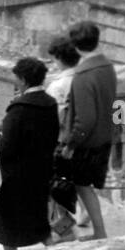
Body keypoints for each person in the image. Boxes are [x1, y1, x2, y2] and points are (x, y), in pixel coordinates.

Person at [0, 58, 60, 250]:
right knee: (39, 224)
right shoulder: (50, 104)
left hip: (15, 178)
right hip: (40, 174)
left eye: (17, 79)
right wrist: (6, 125)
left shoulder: (20, 108)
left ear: (23, 79)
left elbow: (5, 149)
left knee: (8, 230)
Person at [58, 21, 118, 240]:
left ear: (75, 46)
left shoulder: (83, 76)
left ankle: (100, 231)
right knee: (86, 184)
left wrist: (70, 144)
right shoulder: (107, 66)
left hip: (88, 142)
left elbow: (84, 120)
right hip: (105, 136)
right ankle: (87, 219)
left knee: (83, 185)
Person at [45, 39, 81, 238]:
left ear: (59, 59)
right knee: (81, 181)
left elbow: (54, 120)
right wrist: (119, 128)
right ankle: (86, 218)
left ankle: (65, 229)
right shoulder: (92, 78)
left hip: (64, 142)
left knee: (59, 187)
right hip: (91, 140)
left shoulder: (58, 85)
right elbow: (119, 103)